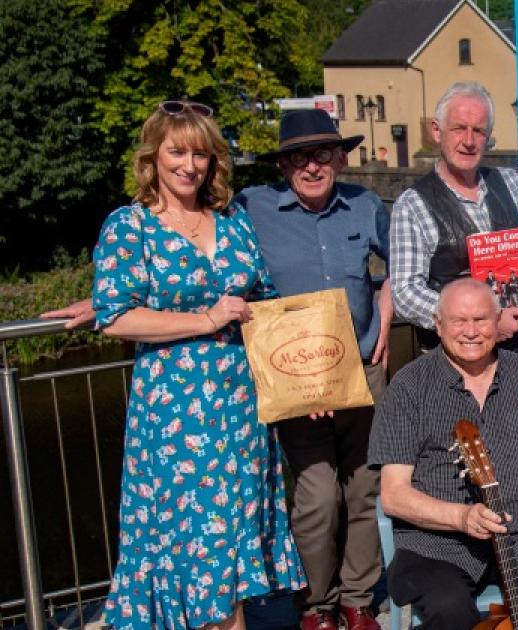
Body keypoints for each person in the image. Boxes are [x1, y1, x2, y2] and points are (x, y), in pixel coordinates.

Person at [91, 101, 304, 629]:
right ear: (153, 157)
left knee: (231, 543)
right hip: (176, 416)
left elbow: (267, 303)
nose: (189, 165)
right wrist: (205, 320)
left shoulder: (232, 222)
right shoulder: (130, 225)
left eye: (201, 154)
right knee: (196, 546)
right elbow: (114, 316)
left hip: (241, 411)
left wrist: (311, 384)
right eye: (177, 151)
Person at [234, 108, 392, 630]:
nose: (311, 165)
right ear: (282, 165)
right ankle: (317, 605)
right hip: (296, 377)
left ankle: (358, 600)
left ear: (340, 158)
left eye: (322, 153)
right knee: (318, 495)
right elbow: (217, 269)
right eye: (298, 156)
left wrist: (386, 325)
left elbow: (400, 267)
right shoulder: (251, 209)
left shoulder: (365, 204)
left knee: (365, 487)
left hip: (363, 370)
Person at [369, 278, 518, 630]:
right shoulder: (408, 387)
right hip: (437, 543)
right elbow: (394, 495)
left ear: (497, 322)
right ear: (438, 324)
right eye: (459, 321)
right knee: (449, 609)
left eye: (481, 320)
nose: (471, 331)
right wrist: (461, 517)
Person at [391, 82, 518, 359]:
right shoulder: (412, 204)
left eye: (479, 131)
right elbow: (405, 293)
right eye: (459, 128)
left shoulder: (510, 182)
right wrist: (481, 322)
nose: (469, 141)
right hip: (455, 361)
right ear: (437, 131)